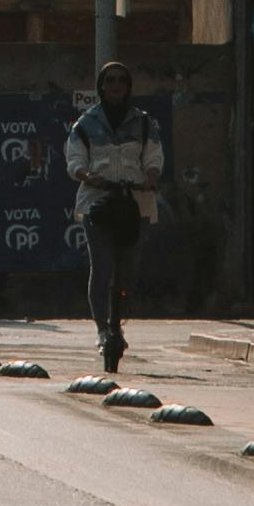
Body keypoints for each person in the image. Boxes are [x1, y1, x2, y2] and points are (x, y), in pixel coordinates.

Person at [68, 62, 167, 380]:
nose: (114, 86)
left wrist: (150, 176)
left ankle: (118, 325)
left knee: (129, 269)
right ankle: (101, 330)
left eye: (121, 81)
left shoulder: (143, 123)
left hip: (134, 203)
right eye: (109, 81)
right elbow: (75, 161)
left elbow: (153, 156)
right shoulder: (86, 123)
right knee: (103, 267)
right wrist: (88, 175)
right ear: (101, 86)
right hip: (98, 204)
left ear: (128, 86)